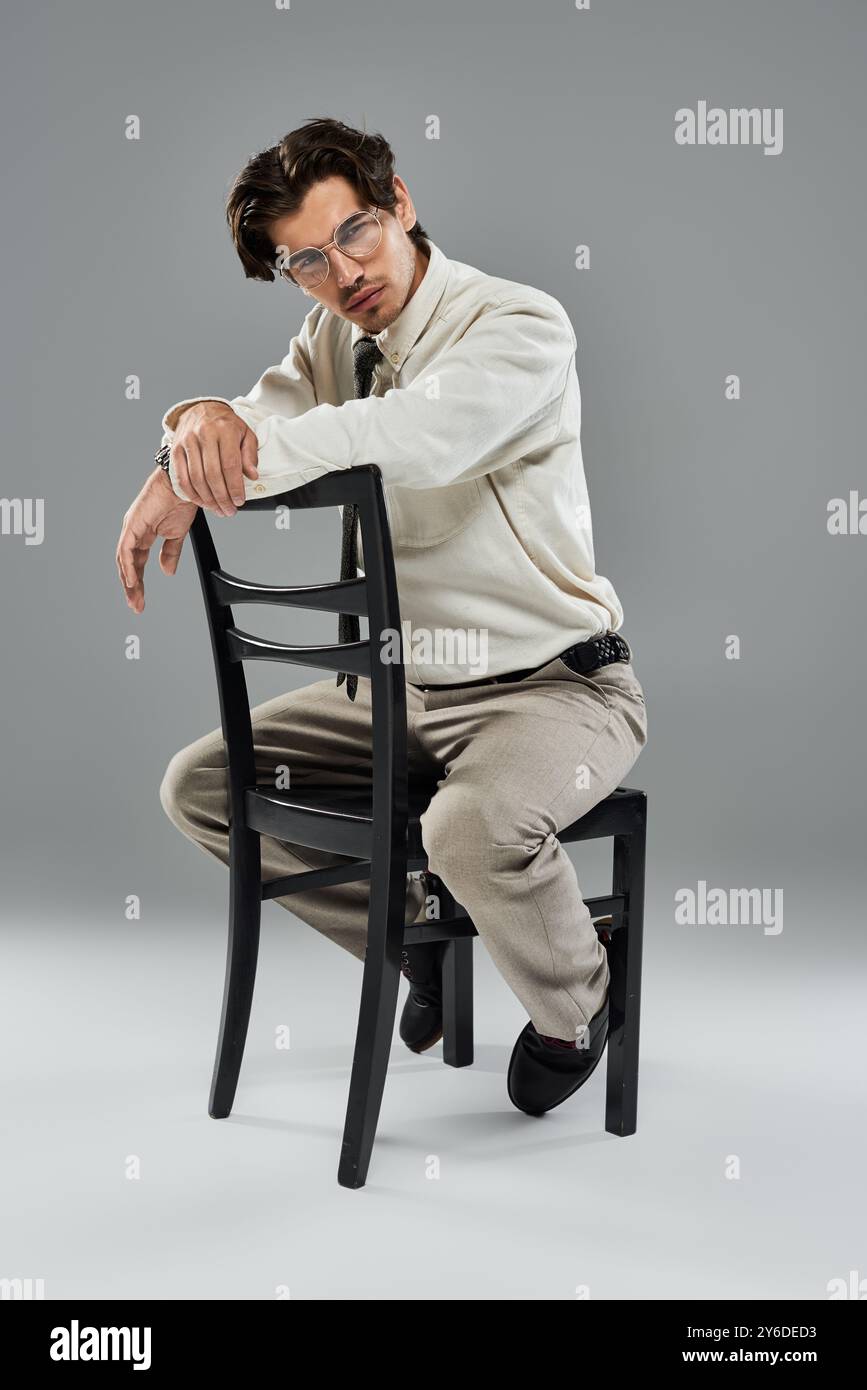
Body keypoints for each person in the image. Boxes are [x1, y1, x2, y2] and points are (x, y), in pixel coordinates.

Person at [115, 116, 648, 1116]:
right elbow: (255, 410)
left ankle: (581, 996)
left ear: (400, 203)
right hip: (399, 695)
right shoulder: (332, 338)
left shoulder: (521, 324)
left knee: (471, 825)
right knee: (203, 785)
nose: (343, 271)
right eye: (306, 261)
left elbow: (414, 436)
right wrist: (184, 435)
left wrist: (214, 463)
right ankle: (414, 946)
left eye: (355, 231)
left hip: (554, 686)